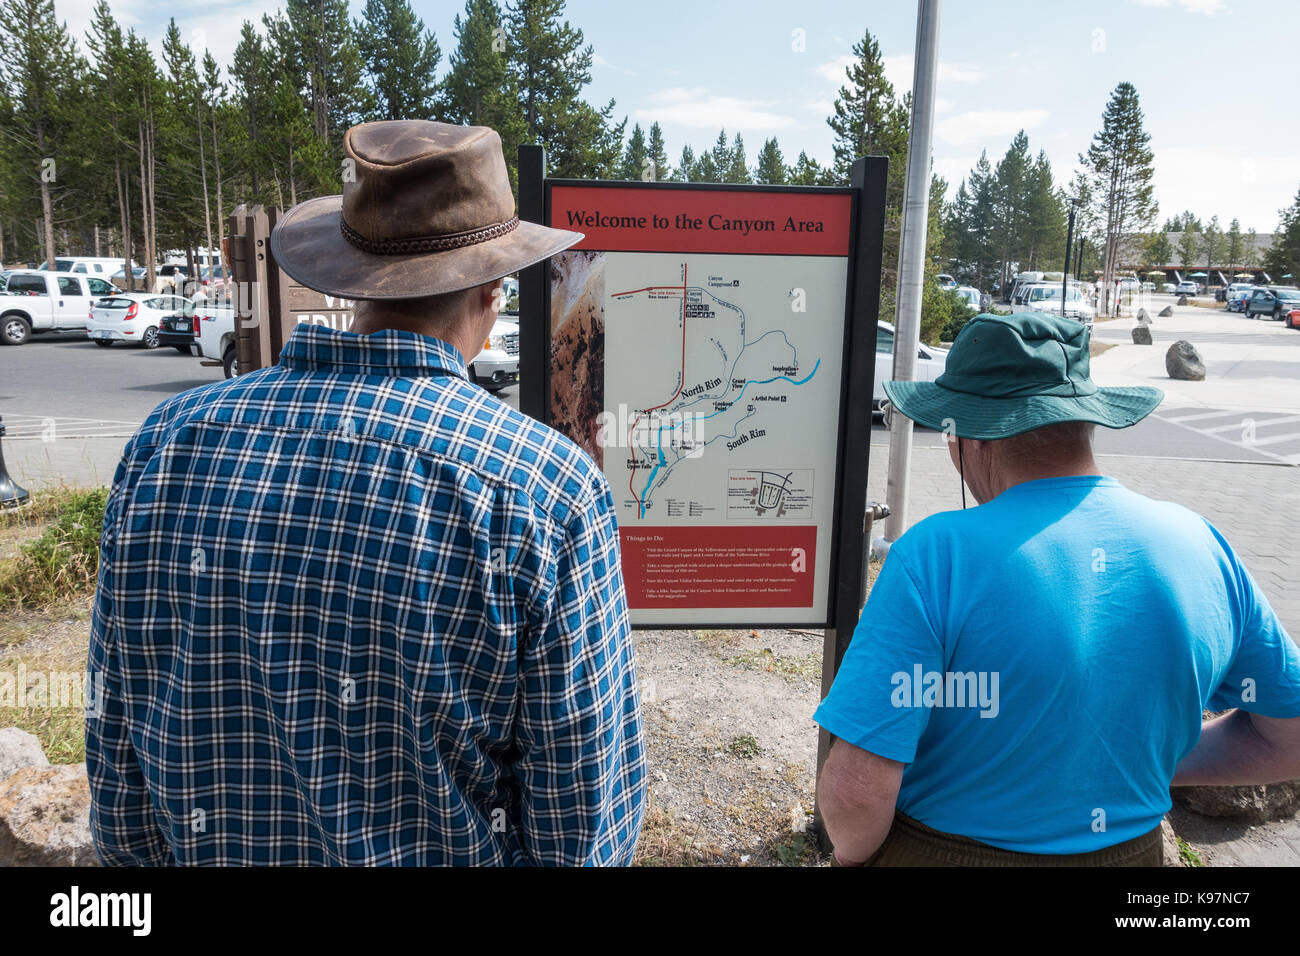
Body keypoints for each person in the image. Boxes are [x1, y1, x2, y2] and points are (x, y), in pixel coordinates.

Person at [86, 120, 647, 866]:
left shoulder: (166, 442)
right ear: (492, 291)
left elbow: (117, 753)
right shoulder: (543, 488)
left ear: (346, 275)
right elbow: (582, 817)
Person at [816, 311, 1300, 866]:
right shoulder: (1201, 542)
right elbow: (1289, 736)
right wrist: (1140, 761)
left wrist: (850, 860)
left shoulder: (934, 554)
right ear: (1087, 423)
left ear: (968, 440)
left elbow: (856, 795)